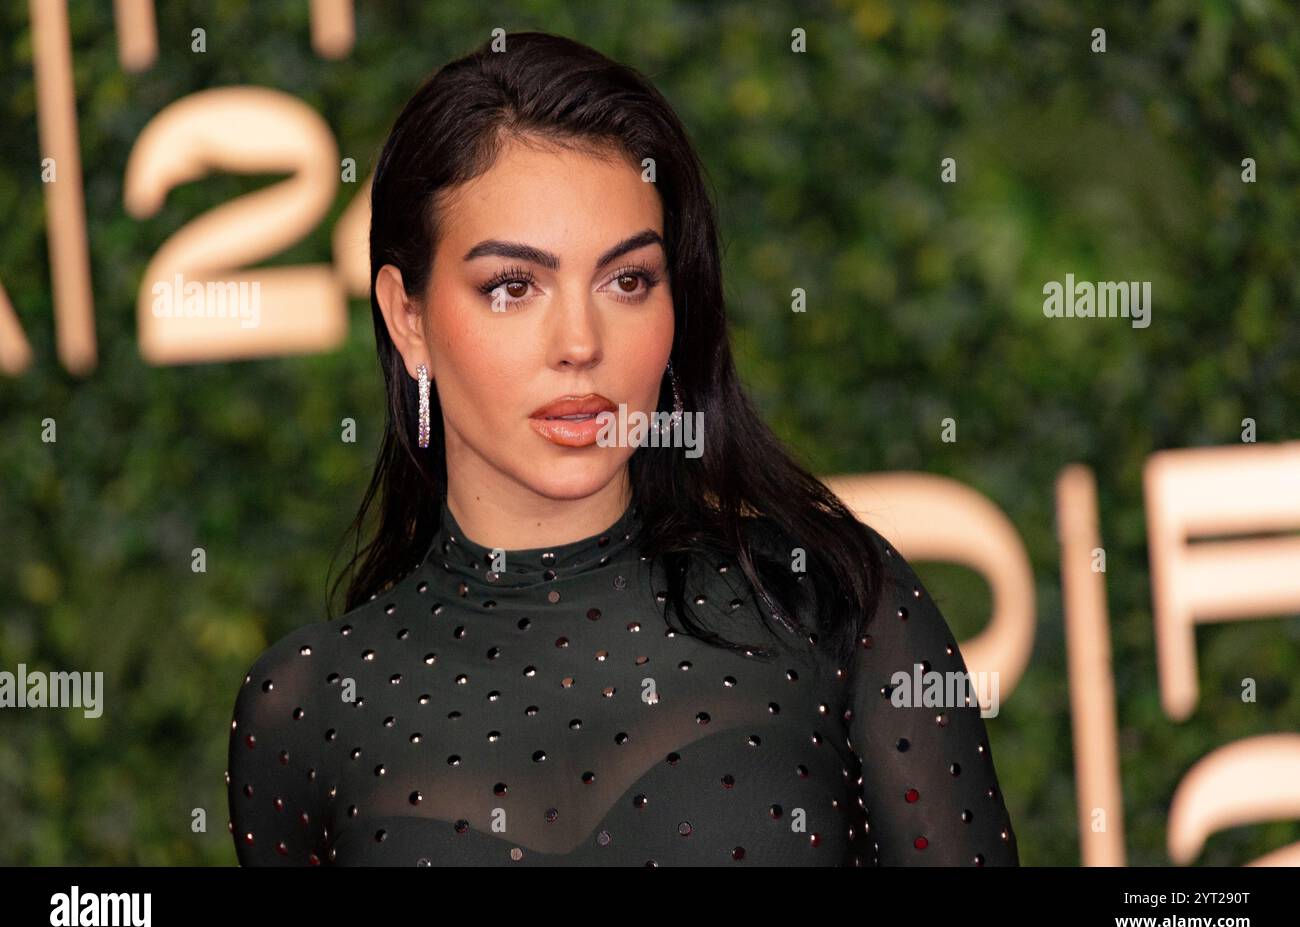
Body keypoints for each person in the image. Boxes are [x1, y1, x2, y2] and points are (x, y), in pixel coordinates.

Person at [226, 30, 1019, 866]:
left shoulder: (835, 605)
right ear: (407, 317)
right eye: (512, 287)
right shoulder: (304, 710)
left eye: (627, 280)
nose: (579, 342)